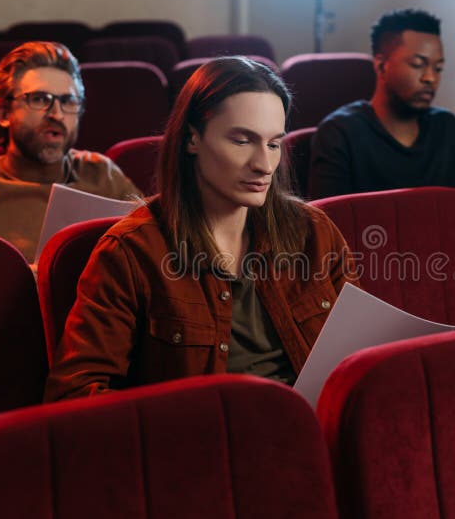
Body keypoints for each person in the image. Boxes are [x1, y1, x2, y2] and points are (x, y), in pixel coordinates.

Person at [44, 57, 358, 401]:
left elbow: (357, 362)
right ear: (192, 139)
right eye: (242, 141)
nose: (264, 165)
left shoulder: (314, 231)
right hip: (202, 443)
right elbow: (73, 393)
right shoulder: (131, 251)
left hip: (309, 434)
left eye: (273, 144)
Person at [0, 41, 141, 263]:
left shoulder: (103, 174)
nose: (57, 114)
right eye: (40, 99)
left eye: (68, 101)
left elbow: (155, 251)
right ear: (3, 113)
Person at [307, 8, 455, 200]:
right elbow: (328, 224)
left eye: (438, 68)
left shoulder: (449, 128)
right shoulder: (339, 133)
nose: (431, 78)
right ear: (381, 65)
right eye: (417, 64)